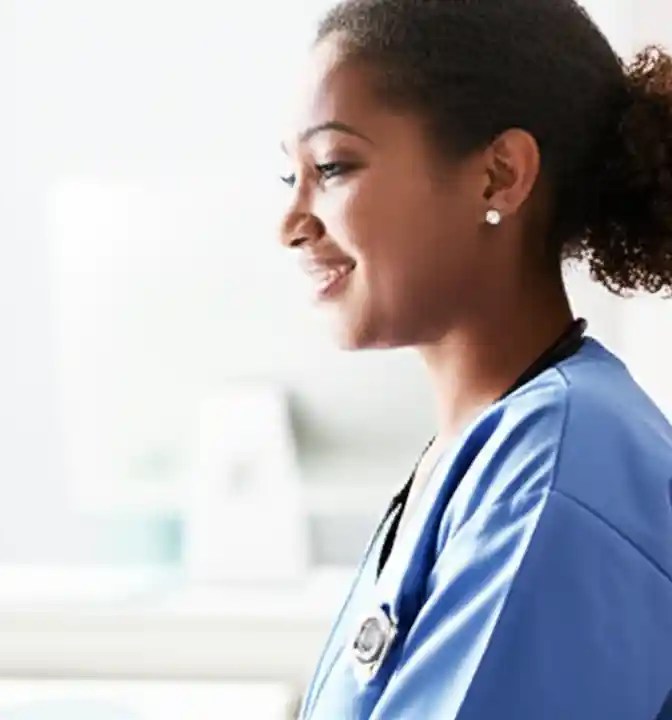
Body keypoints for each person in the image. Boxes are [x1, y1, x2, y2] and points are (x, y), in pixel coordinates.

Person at [278, 1, 672, 717]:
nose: (292, 224)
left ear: (498, 175)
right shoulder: (479, 455)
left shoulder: (559, 467)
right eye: (290, 177)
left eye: (332, 167)